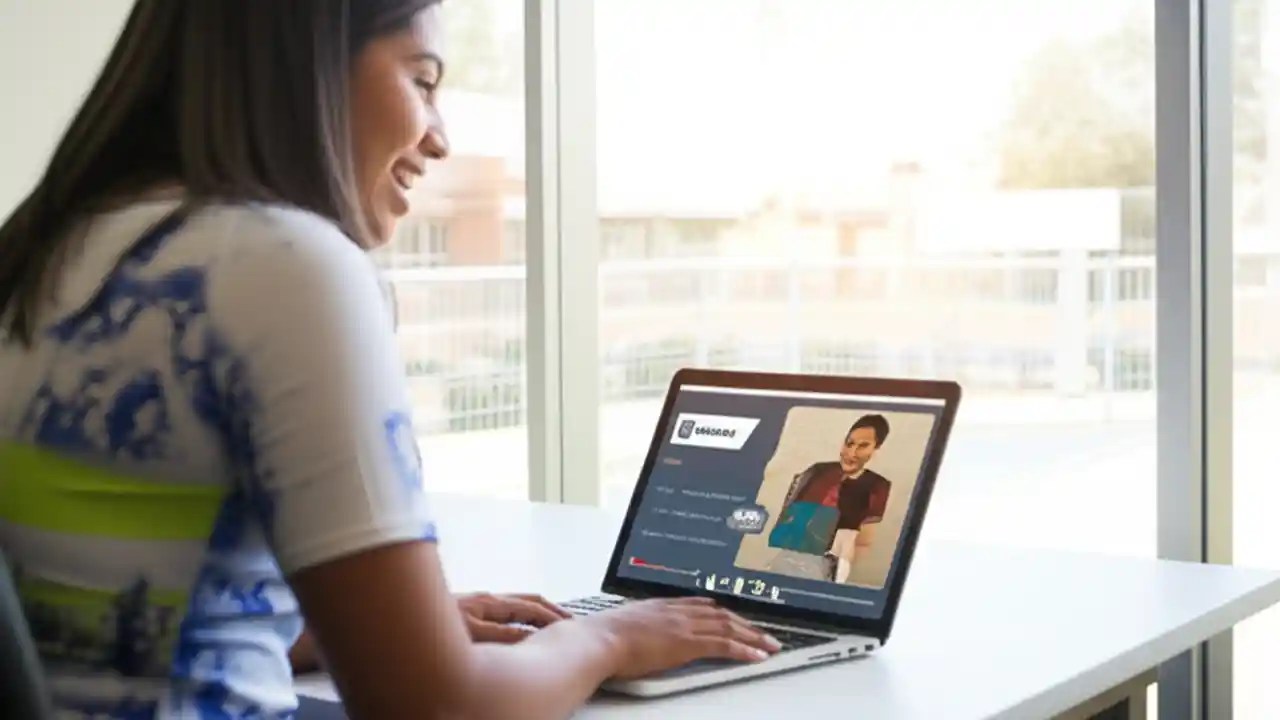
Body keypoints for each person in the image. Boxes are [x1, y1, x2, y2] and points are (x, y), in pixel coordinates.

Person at [0, 2, 779, 718]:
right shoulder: (278, 262)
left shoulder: (41, 249)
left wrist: (382, 629)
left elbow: (84, 625)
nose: (439, 137)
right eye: (422, 81)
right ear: (308, 64)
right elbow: (437, 708)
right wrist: (605, 637)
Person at [766, 415, 892, 583]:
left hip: (824, 570)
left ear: (876, 449)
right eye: (849, 443)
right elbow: (787, 518)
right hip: (785, 561)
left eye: (863, 446)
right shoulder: (816, 471)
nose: (852, 453)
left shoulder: (877, 486)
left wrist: (837, 579)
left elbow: (863, 543)